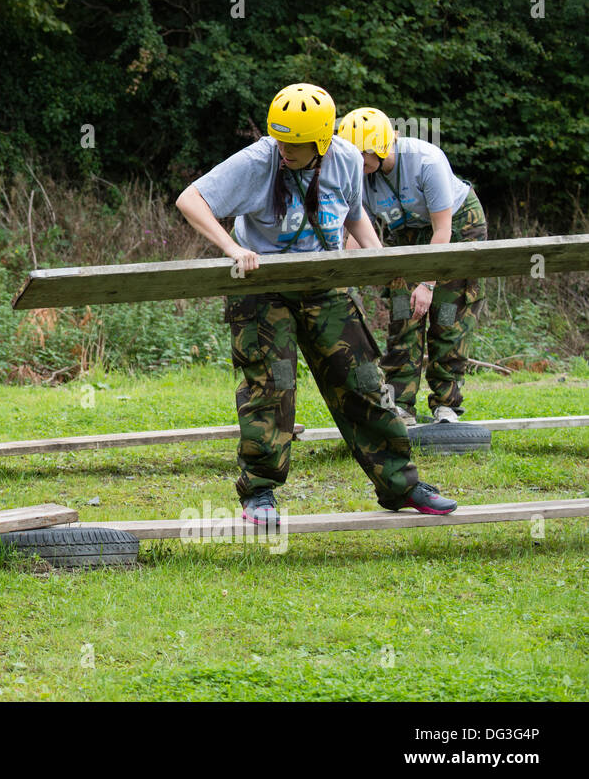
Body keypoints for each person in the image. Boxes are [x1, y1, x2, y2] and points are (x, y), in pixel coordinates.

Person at [175, 83, 457, 526]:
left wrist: (378, 258)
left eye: (296, 144)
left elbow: (353, 213)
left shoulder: (345, 158)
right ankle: (260, 493)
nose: (285, 150)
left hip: (323, 283)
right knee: (272, 385)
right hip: (262, 286)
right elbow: (190, 199)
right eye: (281, 140)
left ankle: (400, 485)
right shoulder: (258, 161)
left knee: (363, 380)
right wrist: (232, 249)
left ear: (322, 142)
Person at [337, 107, 486, 425]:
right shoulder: (360, 175)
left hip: (456, 227)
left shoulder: (426, 161)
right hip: (408, 232)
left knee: (447, 314)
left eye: (360, 158)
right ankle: (400, 403)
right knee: (404, 313)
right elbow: (357, 229)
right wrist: (346, 276)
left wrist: (428, 285)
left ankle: (446, 404)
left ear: (377, 148)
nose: (355, 166)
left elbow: (442, 230)